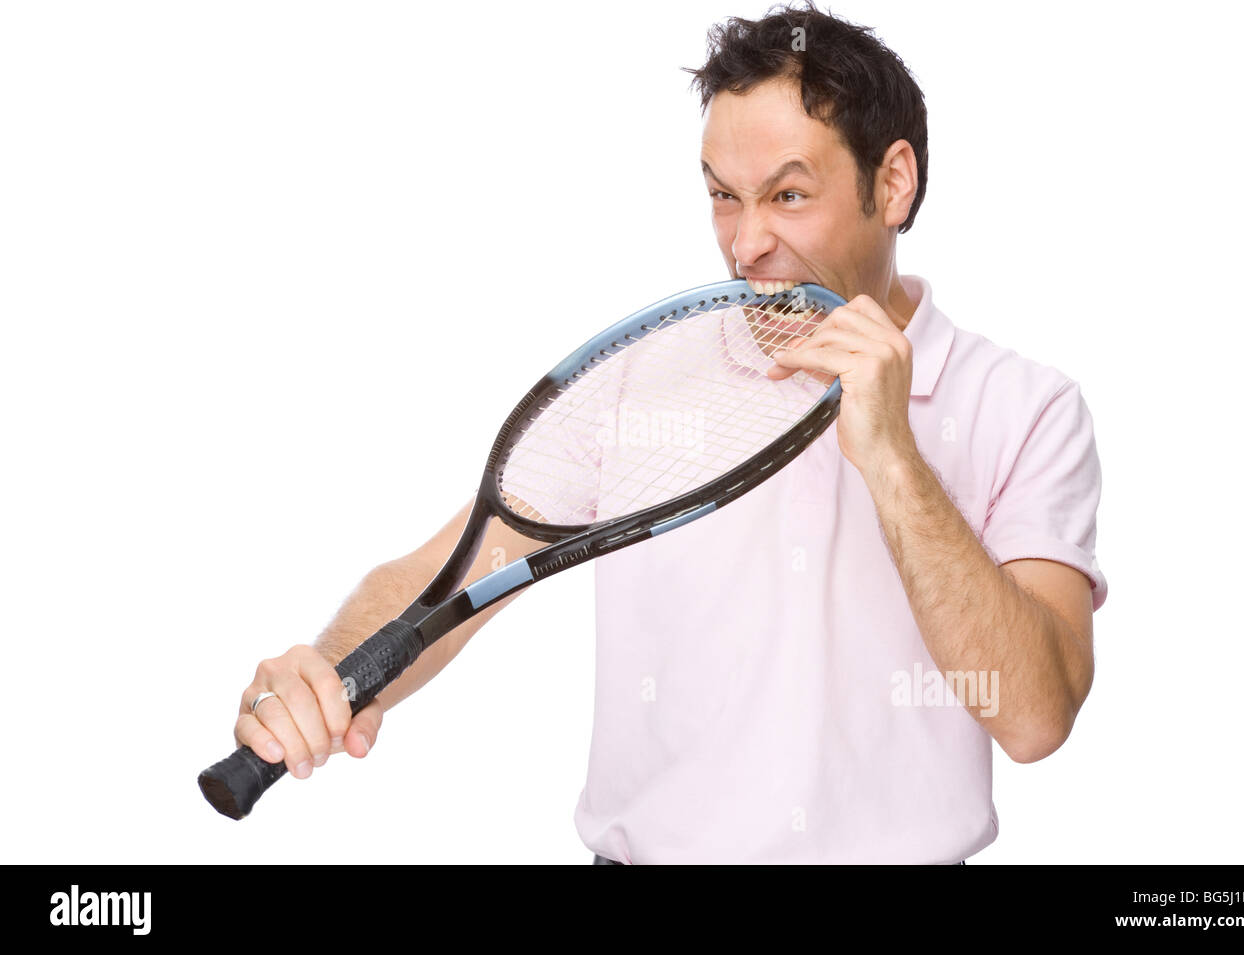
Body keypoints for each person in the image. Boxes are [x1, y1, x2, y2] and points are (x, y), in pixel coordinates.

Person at [230, 2, 1106, 864]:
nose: (746, 242)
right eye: (723, 196)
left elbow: (1035, 717)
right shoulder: (641, 379)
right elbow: (449, 579)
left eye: (789, 195)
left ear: (893, 183)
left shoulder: (1025, 406)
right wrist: (325, 670)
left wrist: (891, 457)